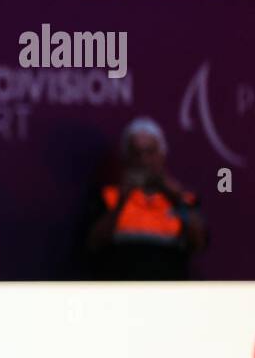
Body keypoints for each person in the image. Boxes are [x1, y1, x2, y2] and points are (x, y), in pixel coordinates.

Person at [85, 117, 207, 279]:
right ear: (126, 157)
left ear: (162, 154)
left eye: (150, 152)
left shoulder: (183, 199)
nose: (144, 160)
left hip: (172, 295)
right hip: (120, 294)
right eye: (136, 153)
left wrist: (176, 200)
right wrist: (121, 203)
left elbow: (198, 243)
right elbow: (92, 244)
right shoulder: (108, 197)